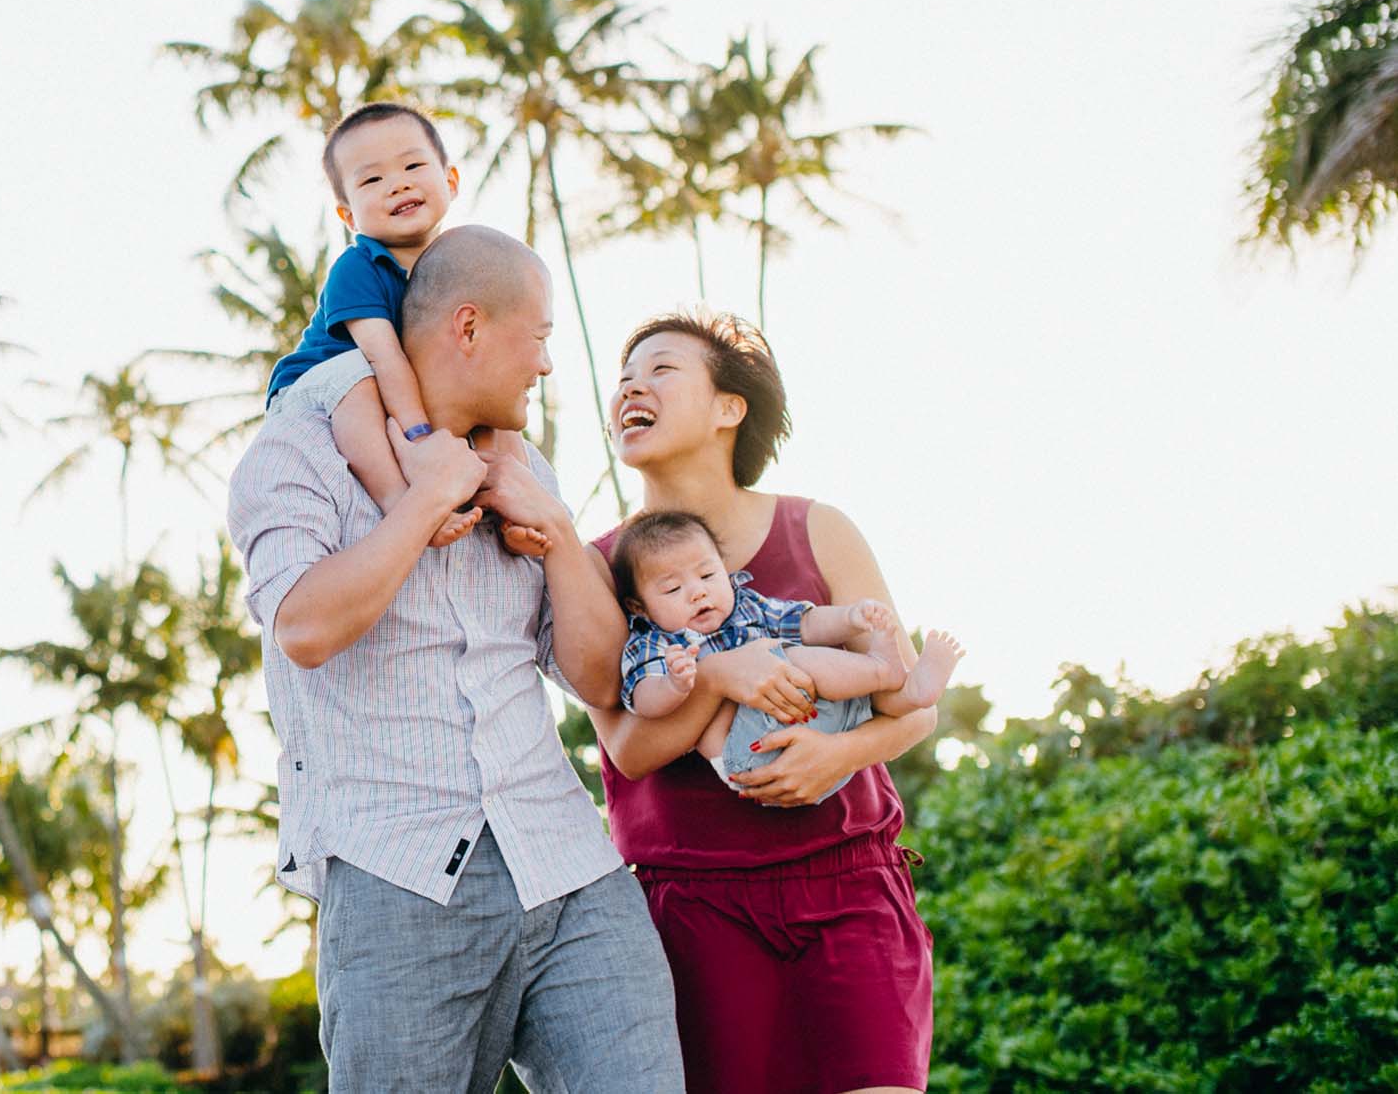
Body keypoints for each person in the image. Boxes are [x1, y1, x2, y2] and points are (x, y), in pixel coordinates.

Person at [229, 226, 684, 1094]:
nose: (547, 364)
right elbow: (305, 628)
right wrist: (427, 497)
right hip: (399, 877)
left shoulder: (526, 463)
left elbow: (597, 677)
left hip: (570, 870)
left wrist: (552, 529)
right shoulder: (299, 445)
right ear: (468, 327)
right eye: (539, 337)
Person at [588, 311, 941, 1094]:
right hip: (694, 910)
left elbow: (913, 702)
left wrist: (840, 756)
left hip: (849, 887)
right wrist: (721, 674)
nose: (631, 386)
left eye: (662, 368)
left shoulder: (819, 528)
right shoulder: (597, 568)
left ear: (728, 407)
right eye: (623, 376)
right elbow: (629, 749)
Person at [264, 101, 546, 556]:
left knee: (492, 397)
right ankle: (400, 501)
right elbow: (384, 356)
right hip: (325, 383)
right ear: (349, 215)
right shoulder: (358, 267)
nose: (398, 184)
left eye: (413, 165)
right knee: (356, 381)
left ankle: (516, 509)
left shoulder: (458, 267)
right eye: (372, 180)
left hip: (393, 382)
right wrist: (422, 439)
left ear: (450, 182)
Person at [613, 508, 964, 799]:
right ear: (638, 607)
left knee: (821, 667)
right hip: (750, 758)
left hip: (821, 733)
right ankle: (881, 669)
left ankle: (910, 691)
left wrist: (850, 618)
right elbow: (643, 701)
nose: (697, 593)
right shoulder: (656, 643)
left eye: (708, 574)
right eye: (673, 588)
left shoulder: (747, 607)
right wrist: (676, 684)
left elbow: (806, 622)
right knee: (783, 655)